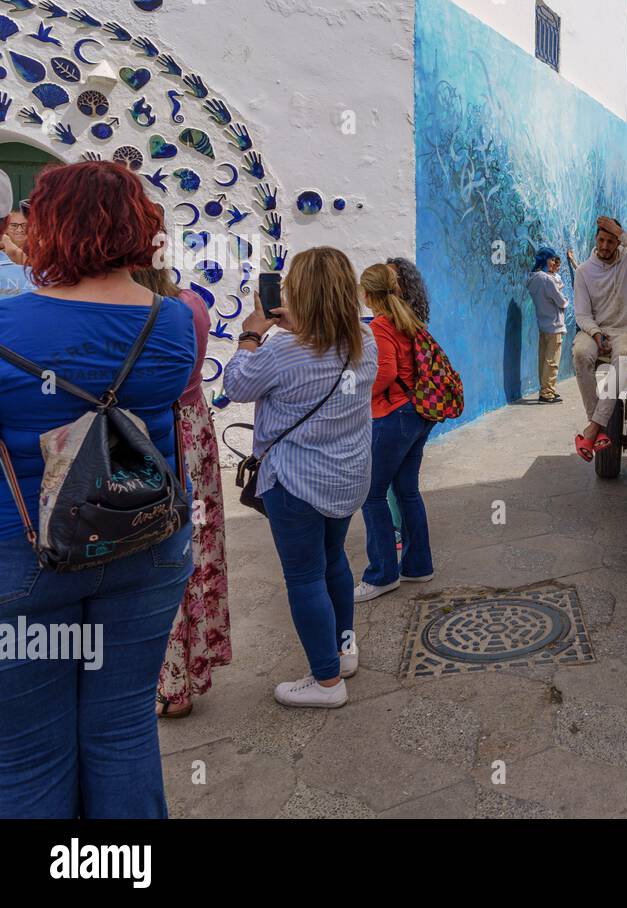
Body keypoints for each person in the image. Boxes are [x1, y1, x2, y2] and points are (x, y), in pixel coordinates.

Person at [0, 161, 196, 816]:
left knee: (29, 754)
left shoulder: (7, 328)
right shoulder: (172, 323)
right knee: (122, 728)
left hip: (26, 560)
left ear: (50, 229)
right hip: (146, 546)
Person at [224, 247, 378, 708]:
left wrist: (251, 335)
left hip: (296, 482)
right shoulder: (365, 342)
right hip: (346, 475)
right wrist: (299, 327)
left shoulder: (283, 350)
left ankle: (327, 683)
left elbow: (236, 385)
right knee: (334, 562)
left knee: (304, 577)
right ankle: (342, 650)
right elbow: (322, 351)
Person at [133, 266, 231, 719]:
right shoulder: (192, 306)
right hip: (194, 430)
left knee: (157, 558)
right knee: (197, 549)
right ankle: (194, 663)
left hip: (149, 438)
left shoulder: (130, 313)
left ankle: (172, 682)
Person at [355, 261, 436, 603]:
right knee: (407, 491)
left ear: (368, 294)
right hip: (416, 414)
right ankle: (418, 566)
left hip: (392, 416)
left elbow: (385, 373)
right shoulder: (408, 318)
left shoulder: (381, 325)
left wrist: (359, 394)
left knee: (371, 495)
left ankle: (383, 574)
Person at [572, 215, 627, 460]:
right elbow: (582, 314)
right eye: (602, 240)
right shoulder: (584, 271)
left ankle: (594, 428)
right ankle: (595, 423)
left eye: (611, 241)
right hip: (595, 328)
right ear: (595, 240)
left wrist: (623, 234)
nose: (605, 246)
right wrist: (596, 334)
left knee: (621, 360)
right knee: (580, 354)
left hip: (626, 330)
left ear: (618, 241)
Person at [526, 247, 568, 404]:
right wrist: (565, 301)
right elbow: (561, 301)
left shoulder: (532, 278)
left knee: (544, 359)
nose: (553, 263)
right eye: (551, 259)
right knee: (552, 361)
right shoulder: (547, 279)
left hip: (543, 323)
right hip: (555, 324)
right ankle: (547, 393)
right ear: (544, 260)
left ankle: (546, 388)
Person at [0, 198, 31, 298]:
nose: (19, 229)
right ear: (6, 226)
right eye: (14, 225)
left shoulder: (40, 252)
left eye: (24, 225)